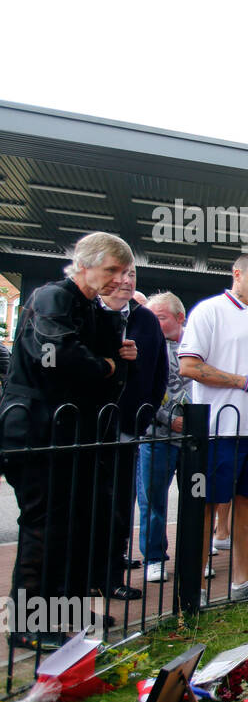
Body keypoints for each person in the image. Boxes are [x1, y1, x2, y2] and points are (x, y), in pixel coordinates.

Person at [2, 233, 133, 649]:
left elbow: (98, 364)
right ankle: (27, 622)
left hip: (71, 433)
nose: (118, 279)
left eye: (122, 271)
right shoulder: (52, 298)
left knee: (76, 525)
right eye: (111, 269)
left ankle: (65, 614)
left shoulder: (90, 307)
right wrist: (109, 364)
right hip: (38, 433)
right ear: (84, 264)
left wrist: (113, 351)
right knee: (44, 526)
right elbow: (61, 357)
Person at [178, 252, 248, 602]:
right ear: (237, 273)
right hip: (219, 429)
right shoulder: (209, 311)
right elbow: (189, 366)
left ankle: (242, 583)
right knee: (208, 506)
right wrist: (246, 383)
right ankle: (193, 589)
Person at [98, 265, 167, 601]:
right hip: (84, 431)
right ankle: (78, 578)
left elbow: (159, 375)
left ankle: (110, 576)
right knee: (83, 507)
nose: (126, 281)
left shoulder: (146, 320)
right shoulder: (83, 312)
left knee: (119, 507)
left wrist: (144, 415)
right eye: (118, 273)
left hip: (127, 429)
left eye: (132, 275)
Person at [137, 292, 192, 584]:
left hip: (193, 437)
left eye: (160, 317)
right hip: (156, 437)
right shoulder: (145, 346)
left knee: (196, 499)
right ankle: (155, 557)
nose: (154, 323)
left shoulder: (197, 345)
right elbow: (143, 391)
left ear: (179, 317)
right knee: (152, 500)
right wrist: (171, 420)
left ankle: (193, 554)